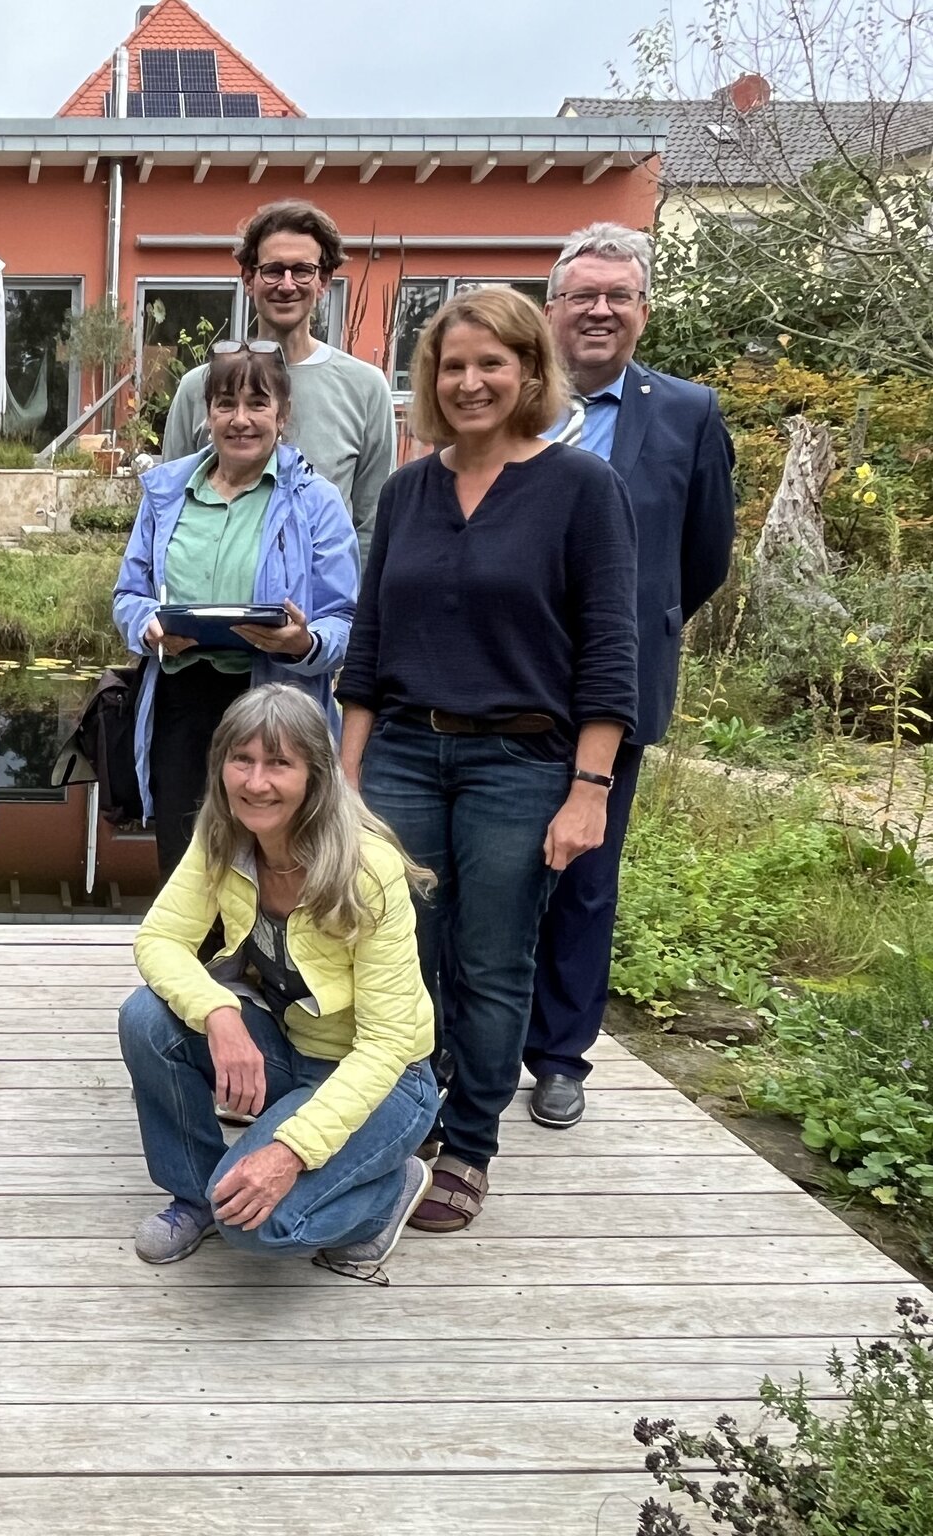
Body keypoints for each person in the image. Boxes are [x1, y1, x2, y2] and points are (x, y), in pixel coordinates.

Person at [337, 288, 638, 1234]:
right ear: (430, 380)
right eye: (452, 366)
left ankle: (469, 1144)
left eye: (491, 364)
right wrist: (346, 777)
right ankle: (411, 1117)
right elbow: (371, 643)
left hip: (520, 760)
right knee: (400, 956)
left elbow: (609, 649)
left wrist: (588, 788)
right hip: (404, 756)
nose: (469, 382)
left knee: (493, 959)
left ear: (530, 372)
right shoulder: (408, 489)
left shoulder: (582, 488)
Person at [525, 223, 737, 1131]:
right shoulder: (509, 400)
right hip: (505, 680)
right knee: (480, 869)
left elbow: (704, 560)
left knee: (586, 872)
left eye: (619, 295)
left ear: (644, 312)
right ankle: (465, 1037)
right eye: (583, 295)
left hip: (614, 689)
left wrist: (623, 635)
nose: (601, 310)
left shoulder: (689, 414)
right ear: (553, 310)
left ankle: (562, 1056)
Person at [117, 685, 438, 1280]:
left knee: (257, 1225)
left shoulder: (368, 870)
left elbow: (389, 1044)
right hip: (293, 1050)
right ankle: (196, 1195)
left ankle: (387, 1192)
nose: (256, 782)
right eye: (242, 759)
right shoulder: (223, 837)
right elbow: (158, 940)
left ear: (316, 776)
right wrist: (220, 1013)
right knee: (146, 1018)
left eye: (279, 763)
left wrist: (290, 1151)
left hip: (389, 1081)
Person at [113, 343, 358, 878]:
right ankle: (195, 962)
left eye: (257, 404)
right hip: (181, 702)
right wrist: (149, 628)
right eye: (225, 404)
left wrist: (303, 642)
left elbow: (345, 621)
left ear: (283, 415)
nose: (240, 419)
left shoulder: (316, 502)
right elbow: (128, 595)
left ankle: (270, 964)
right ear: (208, 415)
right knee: (186, 865)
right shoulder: (166, 493)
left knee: (274, 863)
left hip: (273, 705)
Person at [160, 200, 396, 558]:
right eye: (273, 270)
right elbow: (170, 510)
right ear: (249, 279)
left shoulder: (365, 388)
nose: (287, 285)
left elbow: (372, 525)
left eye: (302, 270)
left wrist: (351, 610)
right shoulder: (200, 386)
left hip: (321, 610)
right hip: (214, 599)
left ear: (324, 282)